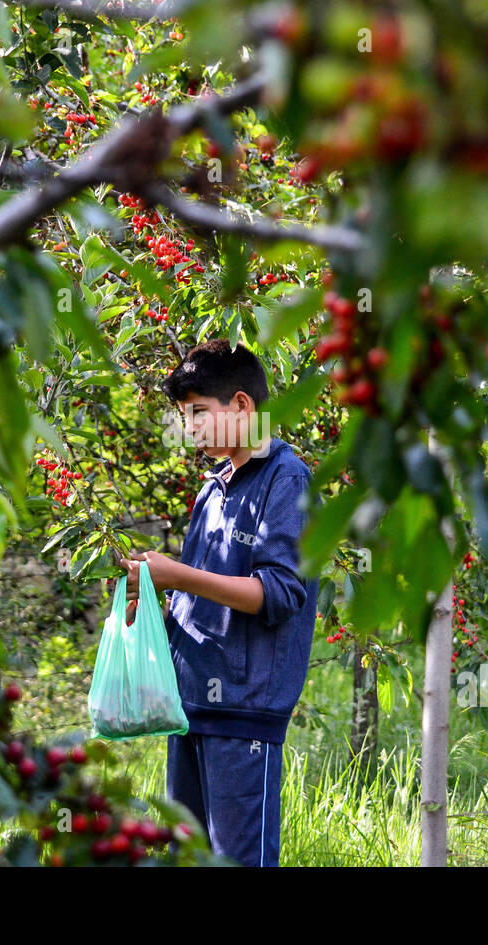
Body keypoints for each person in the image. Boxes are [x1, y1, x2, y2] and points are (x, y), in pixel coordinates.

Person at [118, 338, 320, 867]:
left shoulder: (287, 479)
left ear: (243, 406)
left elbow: (278, 593)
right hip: (191, 707)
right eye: (184, 416)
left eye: (199, 413)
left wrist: (177, 574)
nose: (190, 428)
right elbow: (201, 590)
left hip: (243, 712)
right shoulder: (212, 490)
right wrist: (155, 602)